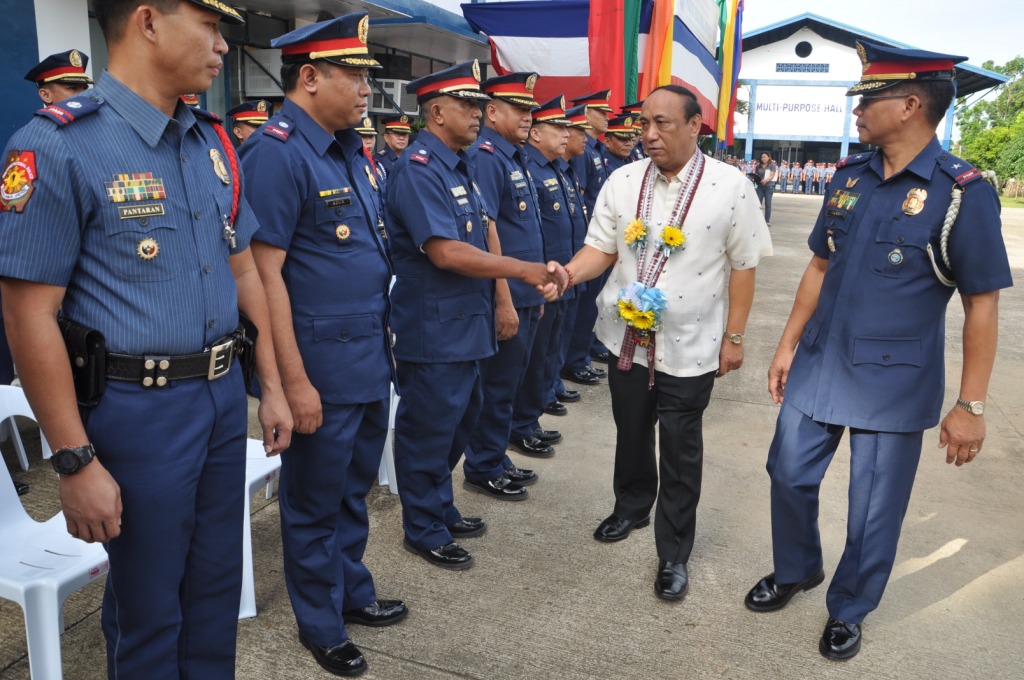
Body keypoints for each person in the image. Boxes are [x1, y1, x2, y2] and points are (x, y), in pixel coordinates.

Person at [0, 1, 292, 678]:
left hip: (221, 399)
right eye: (211, 26)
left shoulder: (211, 142)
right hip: (136, 412)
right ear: (148, 21)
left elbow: (243, 266)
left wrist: (271, 387)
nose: (223, 46)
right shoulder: (57, 144)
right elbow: (28, 317)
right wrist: (72, 461)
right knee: (150, 611)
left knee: (217, 594)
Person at [743, 41, 1012, 661]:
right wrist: (786, 347)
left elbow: (983, 303)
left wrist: (971, 403)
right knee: (786, 472)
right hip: (819, 363)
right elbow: (817, 266)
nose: (858, 110)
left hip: (893, 379)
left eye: (870, 99)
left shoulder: (961, 193)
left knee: (872, 509)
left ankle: (851, 606)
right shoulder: (849, 177)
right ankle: (797, 568)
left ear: (910, 105)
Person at [238, 14, 405, 677]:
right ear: (310, 77)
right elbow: (264, 274)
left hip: (366, 357)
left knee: (352, 490)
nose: (368, 90)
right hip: (319, 367)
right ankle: (321, 621)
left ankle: (351, 592)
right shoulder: (277, 153)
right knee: (311, 503)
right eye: (356, 77)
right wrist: (291, 382)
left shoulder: (343, 148)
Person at [562, 84, 772, 601]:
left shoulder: (730, 186)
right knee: (631, 430)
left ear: (695, 126)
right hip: (625, 338)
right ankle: (631, 505)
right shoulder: (622, 179)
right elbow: (600, 249)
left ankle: (674, 551)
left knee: (680, 446)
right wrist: (566, 275)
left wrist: (735, 338)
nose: (649, 135)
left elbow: (744, 268)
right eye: (643, 124)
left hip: (693, 343)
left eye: (662, 123)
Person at [385, 60, 566, 571]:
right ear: (436, 111)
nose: (476, 112)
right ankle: (422, 526)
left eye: (476, 103)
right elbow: (445, 252)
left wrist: (502, 293)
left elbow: (486, 227)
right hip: (434, 328)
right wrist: (523, 271)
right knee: (429, 431)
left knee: (461, 422)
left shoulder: (459, 163)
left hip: (468, 323)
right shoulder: (419, 169)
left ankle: (439, 505)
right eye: (466, 104)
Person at [464, 71, 547, 489]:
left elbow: (526, 230)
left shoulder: (512, 156)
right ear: (492, 112)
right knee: (495, 385)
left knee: (510, 382)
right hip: (506, 293)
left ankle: (494, 455)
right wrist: (504, 299)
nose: (528, 116)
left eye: (531, 109)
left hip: (525, 292)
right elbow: (486, 230)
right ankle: (482, 466)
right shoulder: (485, 156)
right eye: (519, 108)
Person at [510, 96, 578, 457]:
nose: (566, 134)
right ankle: (519, 426)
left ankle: (529, 420)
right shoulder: (530, 169)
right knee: (531, 361)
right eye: (557, 127)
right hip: (537, 283)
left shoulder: (555, 169)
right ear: (536, 134)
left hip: (560, 279)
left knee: (548, 356)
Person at [563, 89, 614, 387]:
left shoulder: (594, 150)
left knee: (588, 306)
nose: (607, 119)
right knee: (580, 308)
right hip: (587, 239)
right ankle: (575, 360)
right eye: (602, 113)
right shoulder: (587, 153)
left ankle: (580, 356)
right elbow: (582, 196)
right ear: (586, 113)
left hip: (596, 236)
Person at [23, 49, 93, 105]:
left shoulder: (95, 122)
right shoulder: (39, 123)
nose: (84, 94)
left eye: (85, 88)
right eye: (73, 88)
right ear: (46, 95)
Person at [355, 116, 387, 189]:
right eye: (363, 137)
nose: (369, 141)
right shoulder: (352, 165)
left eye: (371, 136)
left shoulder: (378, 165)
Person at [753, 152, 778, 226]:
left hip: (769, 186)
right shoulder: (758, 166)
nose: (763, 158)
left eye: (765, 157)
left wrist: (766, 180)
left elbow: (772, 175)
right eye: (762, 157)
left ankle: (767, 220)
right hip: (760, 186)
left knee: (768, 203)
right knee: (758, 203)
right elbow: (756, 175)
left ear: (768, 157)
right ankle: (757, 219)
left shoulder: (772, 165)